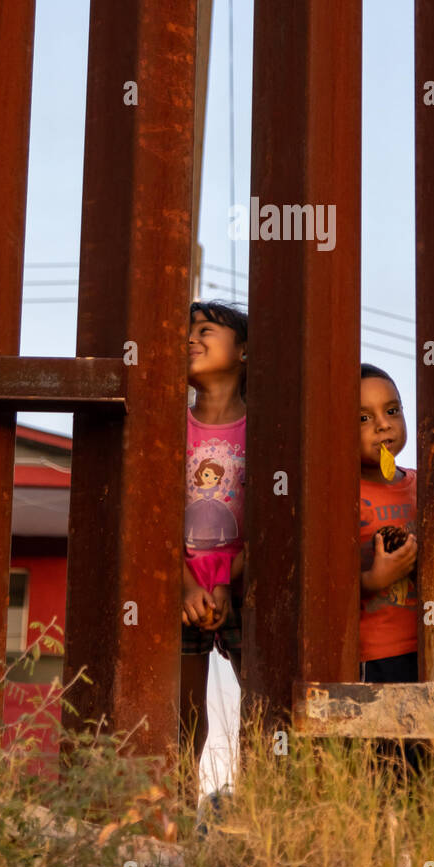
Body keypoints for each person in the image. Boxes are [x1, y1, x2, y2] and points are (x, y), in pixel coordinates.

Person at [180, 300, 247, 759]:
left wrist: (227, 583)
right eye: (187, 332)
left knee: (265, 706)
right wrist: (186, 585)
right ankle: (177, 815)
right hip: (179, 583)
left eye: (206, 330)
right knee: (182, 715)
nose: (191, 338)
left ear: (244, 352)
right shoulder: (169, 425)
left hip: (243, 580)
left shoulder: (263, 427)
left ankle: (259, 811)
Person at [359, 364, 418, 682]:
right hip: (374, 655)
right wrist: (374, 579)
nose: (383, 426)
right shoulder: (336, 497)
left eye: (392, 410)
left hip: (430, 648)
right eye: (364, 418)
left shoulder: (425, 487)